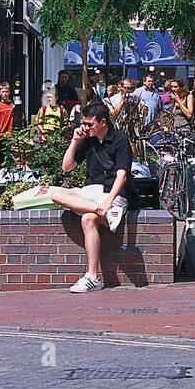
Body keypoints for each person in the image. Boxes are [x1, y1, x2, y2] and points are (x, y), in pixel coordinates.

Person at [48, 102, 131, 293]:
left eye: (89, 124)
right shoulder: (87, 140)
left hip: (113, 194)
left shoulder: (120, 141)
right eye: (83, 123)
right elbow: (66, 167)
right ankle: (104, 212)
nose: (85, 127)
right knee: (56, 193)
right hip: (93, 194)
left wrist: (108, 201)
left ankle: (92, 277)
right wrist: (75, 141)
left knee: (87, 220)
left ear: (103, 122)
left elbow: (122, 175)